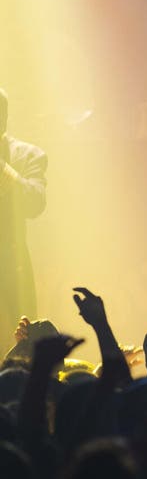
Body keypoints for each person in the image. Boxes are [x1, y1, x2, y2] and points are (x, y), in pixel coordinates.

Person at [0, 90, 47, 356]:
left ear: (4, 118)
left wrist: (4, 170)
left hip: (11, 267)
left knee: (23, 350)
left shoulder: (27, 155)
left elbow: (35, 202)